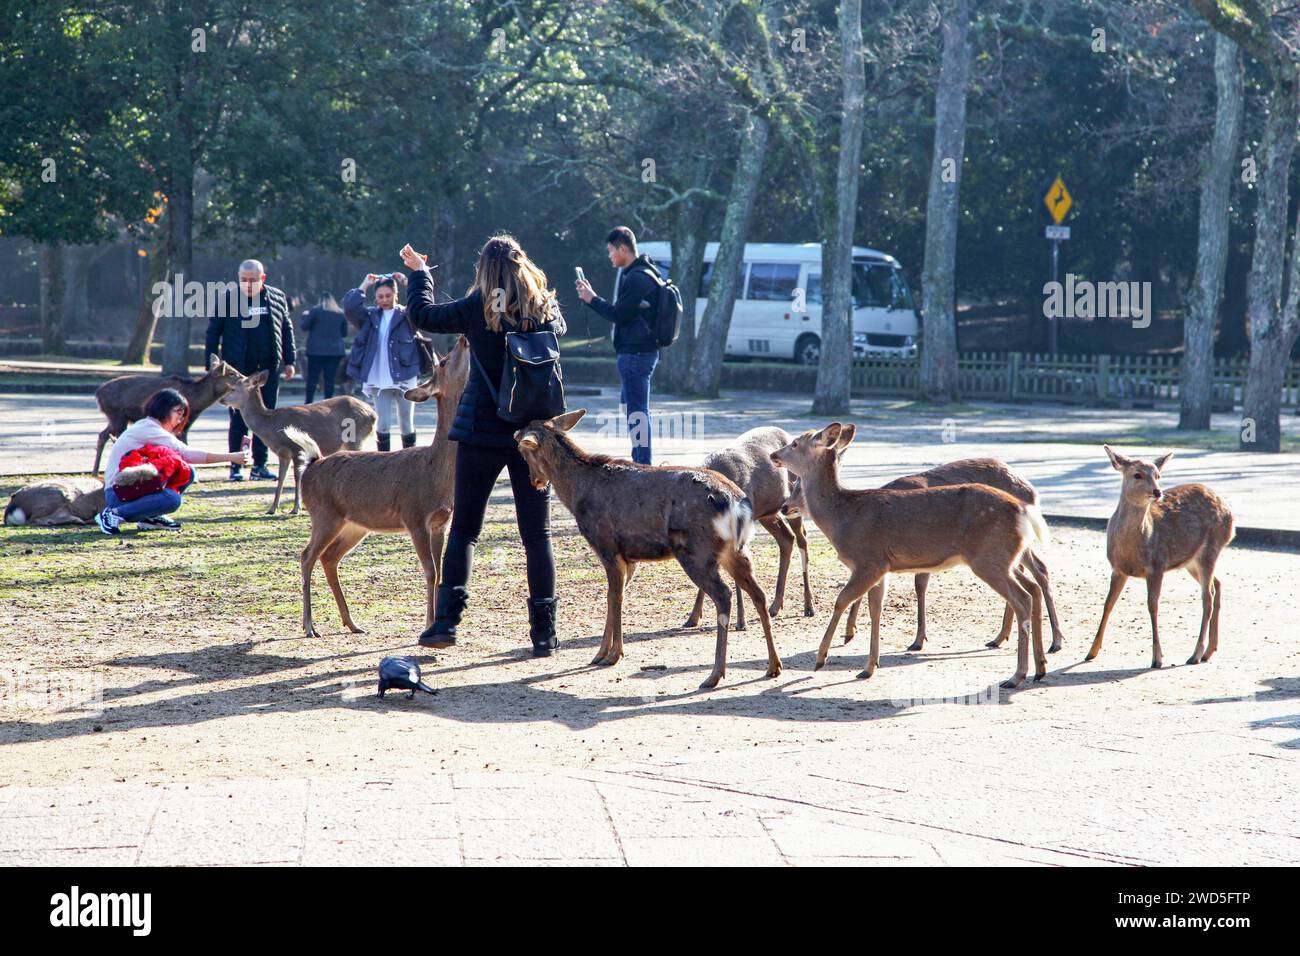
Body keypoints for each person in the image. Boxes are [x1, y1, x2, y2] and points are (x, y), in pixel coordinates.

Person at [400, 234, 565, 657]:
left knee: (466, 530)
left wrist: (419, 275)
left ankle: (446, 623)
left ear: (483, 269)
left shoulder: (478, 306)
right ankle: (543, 635)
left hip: (481, 430)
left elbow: (421, 315)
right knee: (536, 535)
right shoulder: (543, 304)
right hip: (532, 433)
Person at [96, 388, 249, 535]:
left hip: (125, 491)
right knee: (172, 499)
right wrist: (231, 457)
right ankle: (112, 514)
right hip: (118, 495)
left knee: (187, 471)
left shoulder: (148, 427)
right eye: (178, 413)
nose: (180, 420)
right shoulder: (149, 428)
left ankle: (150, 517)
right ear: (163, 408)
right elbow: (187, 454)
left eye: (182, 415)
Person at [575, 225, 661, 465]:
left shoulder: (637, 277)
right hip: (640, 352)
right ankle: (641, 459)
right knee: (633, 410)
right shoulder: (644, 272)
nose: (610, 256)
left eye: (611, 250)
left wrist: (591, 298)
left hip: (636, 354)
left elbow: (619, 314)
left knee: (637, 413)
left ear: (623, 248)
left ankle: (643, 464)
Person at [204, 259, 296, 481]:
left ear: (262, 278)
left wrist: (290, 361)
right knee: (237, 418)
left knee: (266, 417)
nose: (247, 284)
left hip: (267, 370)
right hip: (237, 370)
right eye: (243, 280)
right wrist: (211, 366)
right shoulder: (228, 299)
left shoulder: (276, 296)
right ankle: (236, 467)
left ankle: (260, 466)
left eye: (252, 280)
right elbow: (213, 331)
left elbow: (286, 328)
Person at [342, 273, 420, 450]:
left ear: (396, 295)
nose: (384, 300)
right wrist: (364, 285)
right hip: (378, 375)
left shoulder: (407, 314)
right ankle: (384, 464)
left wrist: (409, 283)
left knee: (406, 423)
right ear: (375, 297)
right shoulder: (369, 316)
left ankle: (411, 463)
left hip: (405, 373)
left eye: (388, 296)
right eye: (380, 296)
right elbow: (349, 308)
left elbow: (421, 305)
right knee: (382, 424)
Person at [300, 293, 348, 403]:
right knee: (329, 379)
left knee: (312, 378)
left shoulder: (315, 311)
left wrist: (304, 316)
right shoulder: (340, 313)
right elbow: (344, 333)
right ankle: (328, 404)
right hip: (335, 351)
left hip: (315, 351)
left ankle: (308, 403)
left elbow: (304, 326)